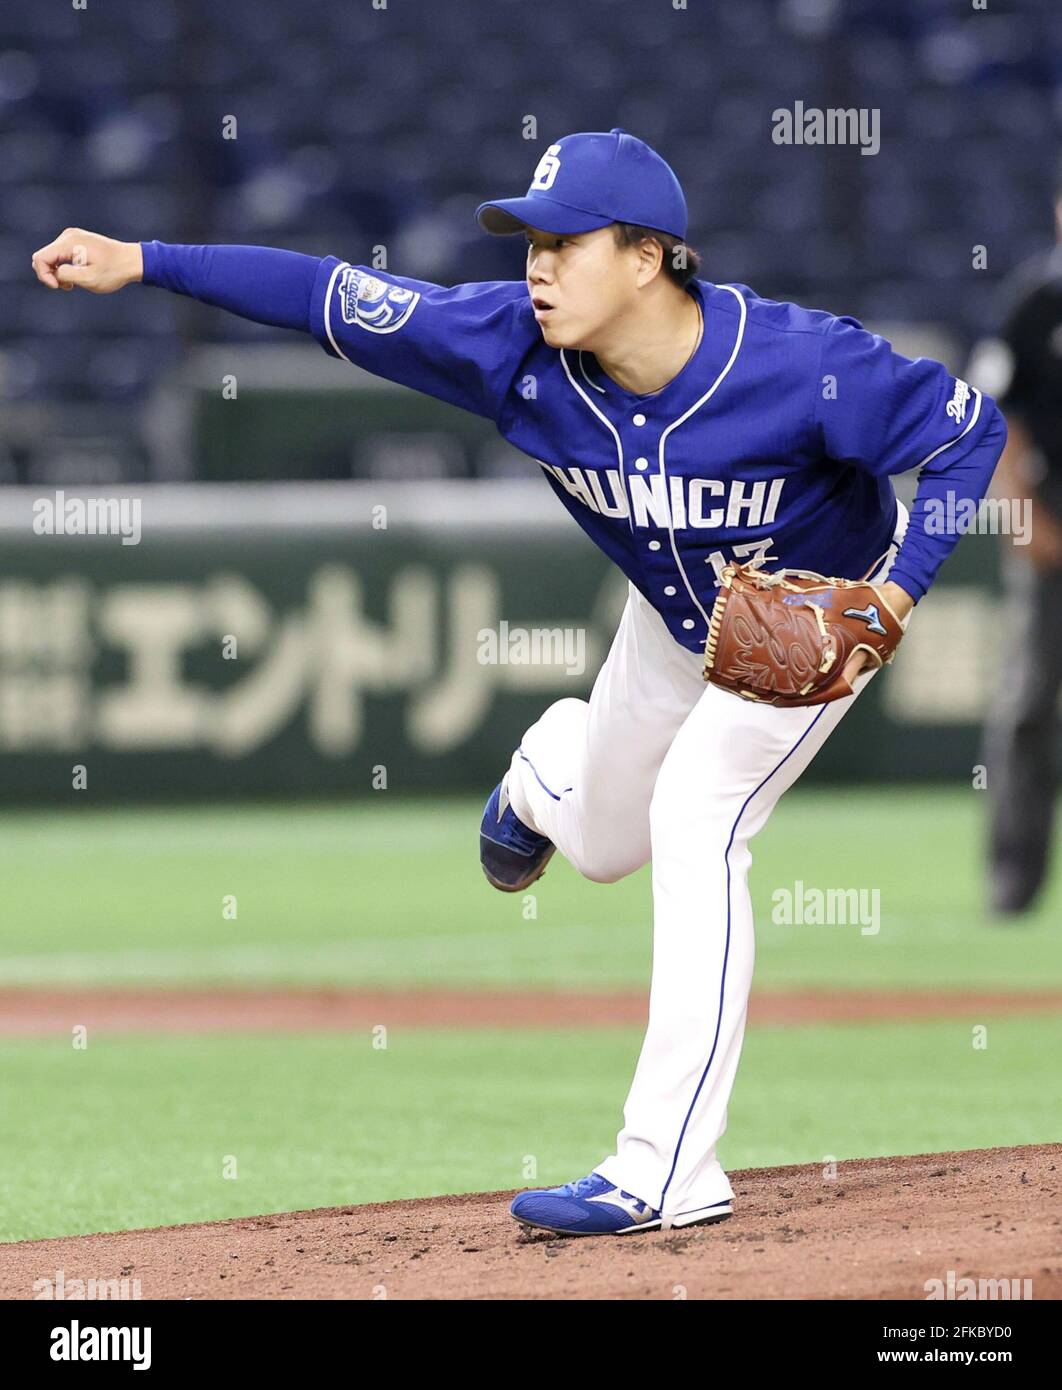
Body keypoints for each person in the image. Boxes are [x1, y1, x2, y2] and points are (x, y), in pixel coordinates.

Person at [32, 128, 1006, 1237]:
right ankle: (548, 774)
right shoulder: (503, 345)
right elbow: (321, 293)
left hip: (807, 615)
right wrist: (145, 259)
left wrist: (898, 594)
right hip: (669, 616)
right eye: (529, 241)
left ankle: (667, 1166)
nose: (536, 265)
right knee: (601, 846)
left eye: (564, 242)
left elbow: (970, 432)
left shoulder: (798, 364)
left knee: (698, 817)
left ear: (649, 257)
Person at [974, 168, 1062, 918]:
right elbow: (995, 417)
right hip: (1051, 535)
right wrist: (1023, 518)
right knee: (1029, 702)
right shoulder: (1037, 302)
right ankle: (1013, 879)